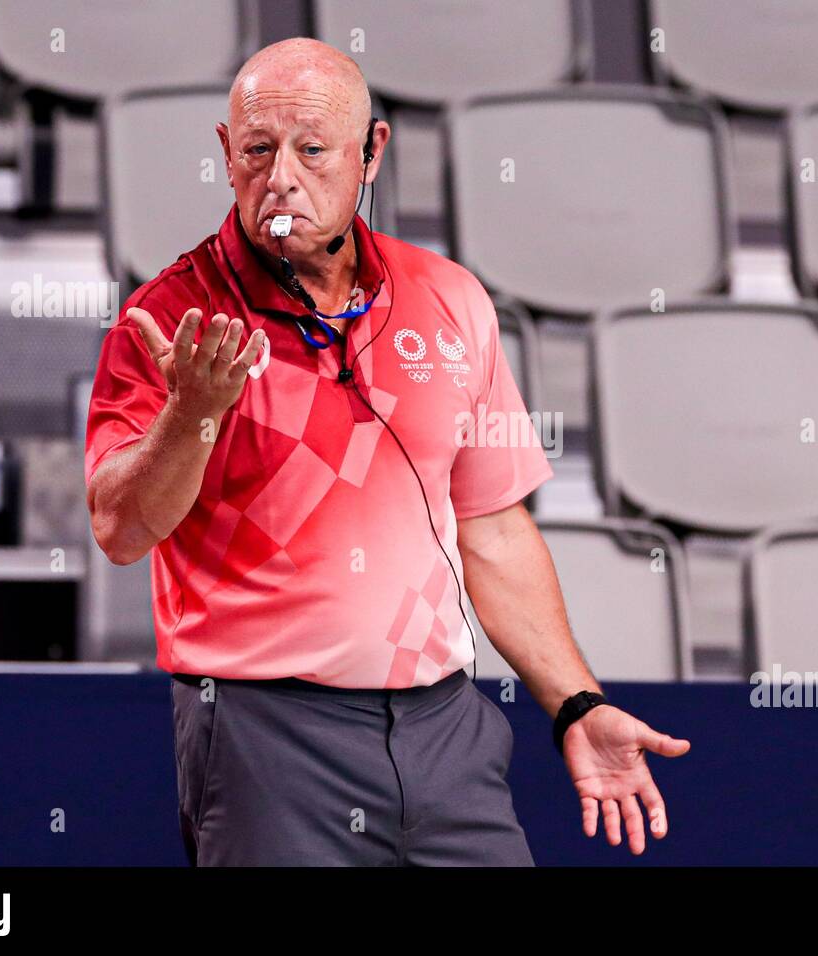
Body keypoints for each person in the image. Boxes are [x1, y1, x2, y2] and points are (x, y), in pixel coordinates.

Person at [85, 37, 689, 866]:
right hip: (268, 739)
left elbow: (494, 531)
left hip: (446, 732)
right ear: (226, 156)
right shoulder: (169, 322)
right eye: (258, 150)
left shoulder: (450, 296)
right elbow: (119, 529)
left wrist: (576, 703)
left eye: (313, 149)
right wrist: (193, 413)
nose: (282, 178)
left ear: (372, 152)